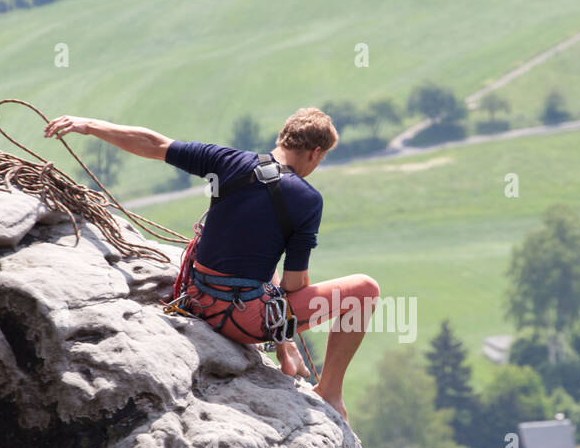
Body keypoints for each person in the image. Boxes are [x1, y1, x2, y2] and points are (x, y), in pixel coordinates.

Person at [43, 107, 379, 421]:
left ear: (282, 139)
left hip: (194, 298)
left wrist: (89, 126)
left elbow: (155, 143)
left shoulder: (228, 161)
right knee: (364, 290)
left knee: (257, 257)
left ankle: (286, 350)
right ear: (315, 153)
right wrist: (289, 310)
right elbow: (293, 285)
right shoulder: (306, 198)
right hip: (240, 320)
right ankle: (330, 390)